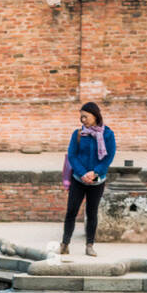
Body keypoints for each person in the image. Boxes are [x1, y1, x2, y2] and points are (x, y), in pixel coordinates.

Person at [60, 102, 116, 256]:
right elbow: (72, 155)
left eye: (85, 116)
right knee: (71, 211)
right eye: (81, 117)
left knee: (92, 213)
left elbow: (109, 157)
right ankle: (65, 244)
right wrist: (83, 173)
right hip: (78, 179)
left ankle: (89, 245)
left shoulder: (108, 134)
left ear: (95, 115)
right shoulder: (78, 134)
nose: (82, 120)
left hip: (97, 181)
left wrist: (95, 173)